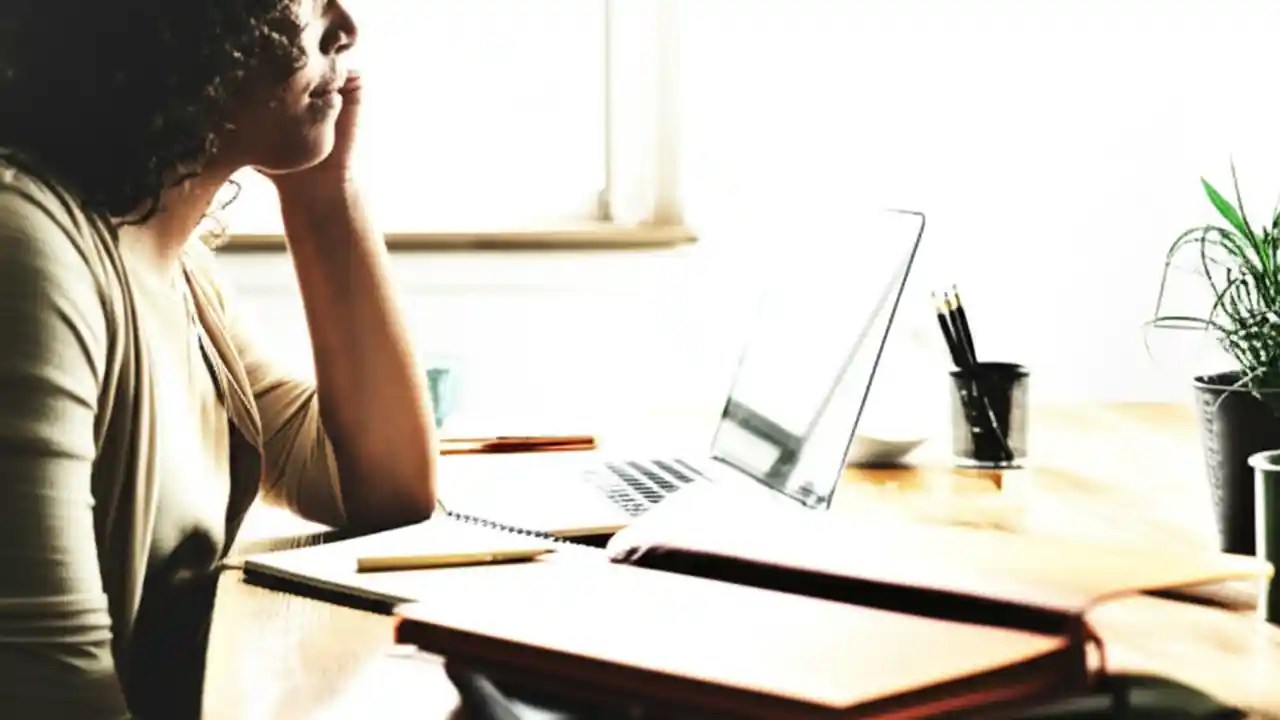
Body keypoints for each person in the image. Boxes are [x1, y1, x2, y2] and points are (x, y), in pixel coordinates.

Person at [0, 0, 439, 716]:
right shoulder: (28, 250)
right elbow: (47, 690)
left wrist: (326, 198)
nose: (346, 27)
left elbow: (381, 486)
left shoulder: (170, 257)